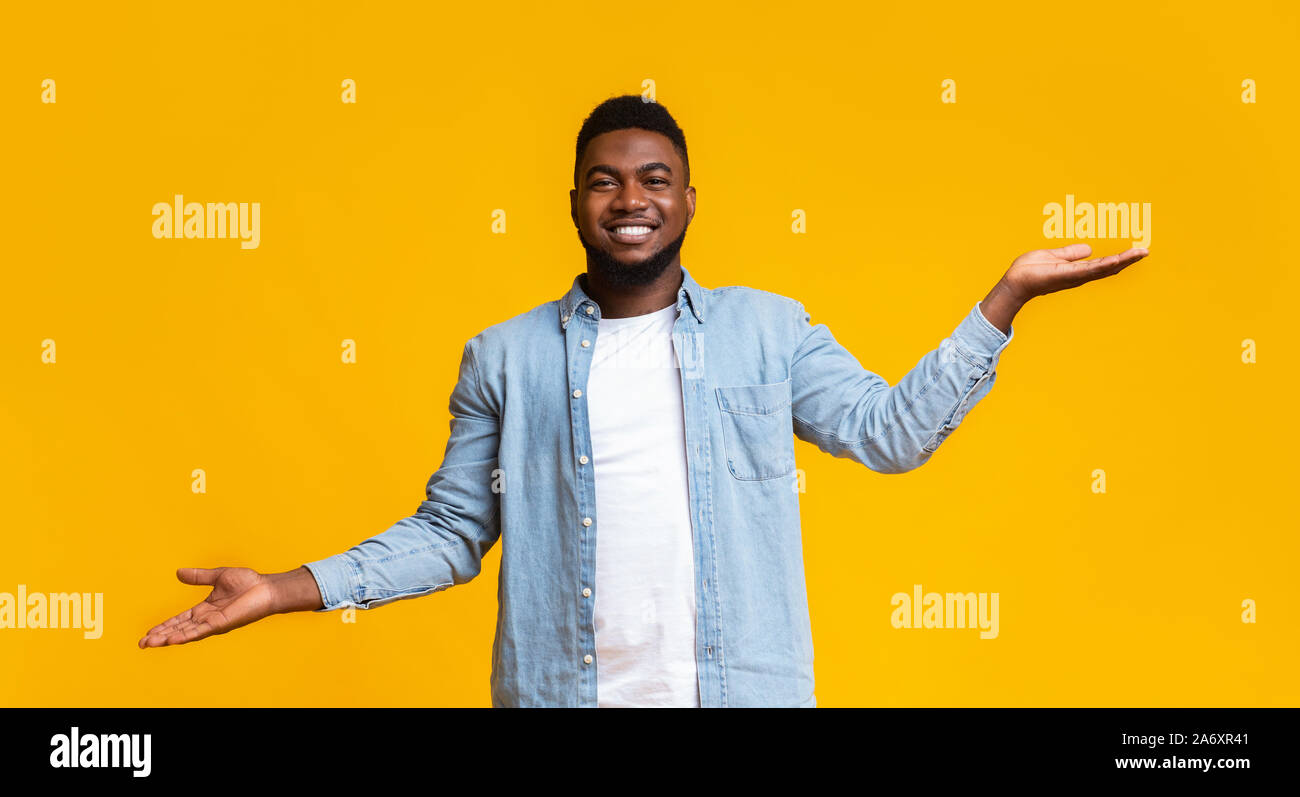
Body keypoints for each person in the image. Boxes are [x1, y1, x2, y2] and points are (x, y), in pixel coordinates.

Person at [139, 95, 1148, 707]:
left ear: (690, 199)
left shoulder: (768, 329)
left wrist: (1003, 299)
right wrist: (285, 585)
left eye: (654, 178)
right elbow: (451, 533)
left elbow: (889, 435)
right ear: (574, 201)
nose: (630, 199)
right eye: (604, 180)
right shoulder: (504, 357)